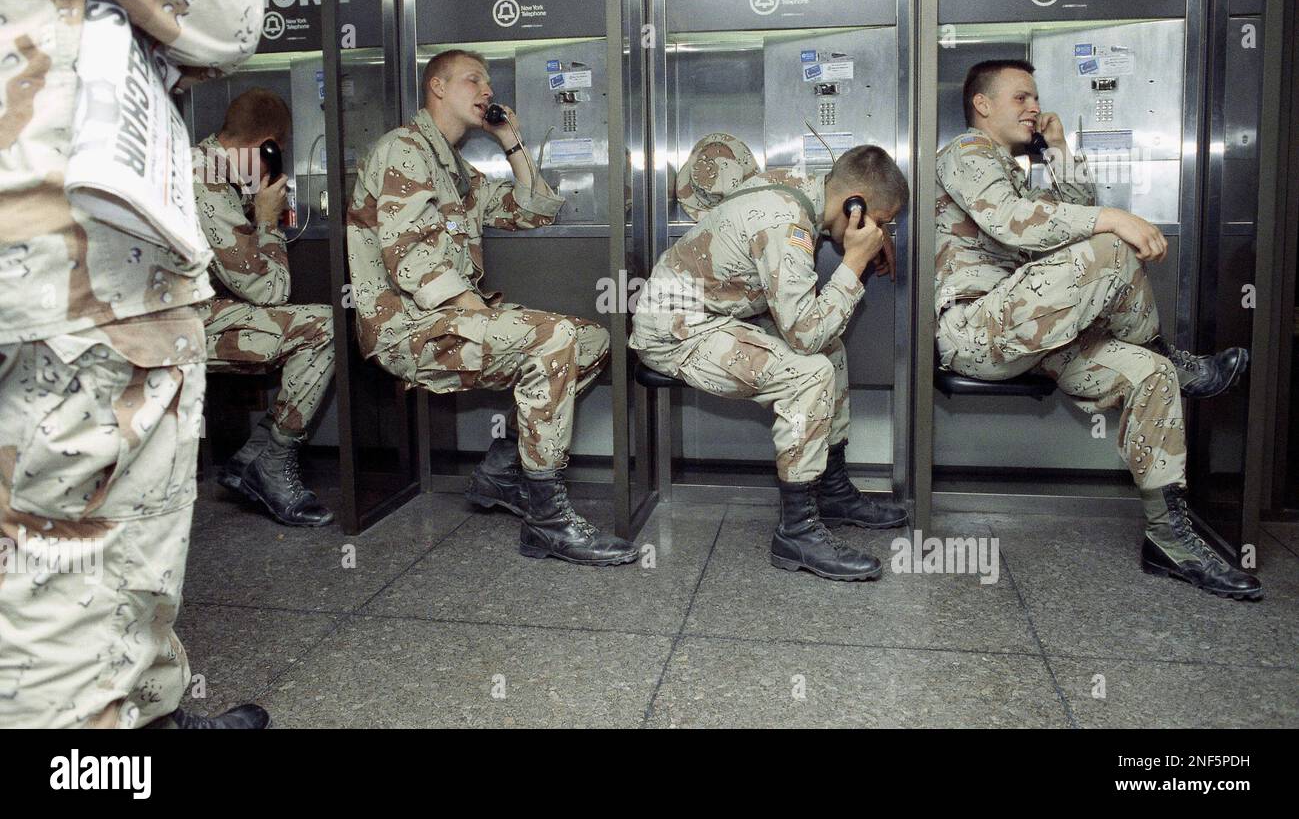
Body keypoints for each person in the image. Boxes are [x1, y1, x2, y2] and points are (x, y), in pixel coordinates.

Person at [0, 0, 271, 727]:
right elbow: (226, 8)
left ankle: (145, 713)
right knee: (65, 568)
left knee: (90, 544)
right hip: (69, 265)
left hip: (45, 268)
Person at [934, 59, 1260, 600]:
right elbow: (1010, 220)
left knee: (1149, 373)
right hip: (975, 330)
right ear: (982, 105)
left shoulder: (1012, 168)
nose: (1034, 107)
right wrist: (1113, 219)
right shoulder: (966, 153)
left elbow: (1072, 212)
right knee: (1110, 245)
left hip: (1032, 332)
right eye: (1021, 98)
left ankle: (1168, 540)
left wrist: (1058, 151)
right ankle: (1170, 353)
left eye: (1036, 98)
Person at [348, 49, 638, 566]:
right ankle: (547, 521)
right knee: (555, 339)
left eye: (488, 81)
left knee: (593, 341)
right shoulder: (403, 152)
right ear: (437, 87)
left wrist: (512, 144)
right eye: (473, 80)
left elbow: (533, 211)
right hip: (406, 329)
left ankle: (504, 472)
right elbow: (407, 255)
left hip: (447, 320)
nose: (487, 90)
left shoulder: (455, 168)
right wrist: (472, 310)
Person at [631, 140, 910, 581]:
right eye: (881, 223)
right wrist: (853, 262)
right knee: (810, 372)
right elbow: (803, 335)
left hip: (709, 314)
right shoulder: (785, 222)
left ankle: (831, 490)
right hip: (675, 331)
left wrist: (862, 243)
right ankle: (796, 531)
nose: (881, 234)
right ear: (854, 206)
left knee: (831, 351)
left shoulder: (800, 188)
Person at [192, 89, 335, 527]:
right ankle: (271, 462)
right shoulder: (207, 180)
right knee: (322, 327)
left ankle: (254, 456)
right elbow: (269, 289)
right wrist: (268, 219)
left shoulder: (207, 165)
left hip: (190, 311)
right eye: (278, 151)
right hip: (172, 326)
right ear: (267, 145)